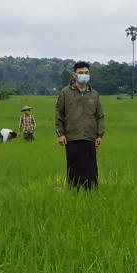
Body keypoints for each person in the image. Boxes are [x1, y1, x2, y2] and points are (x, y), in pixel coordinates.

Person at [55, 61, 105, 189]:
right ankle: (74, 192)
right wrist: (60, 134)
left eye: (86, 73)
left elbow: (99, 116)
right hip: (72, 138)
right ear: (74, 75)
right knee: (74, 169)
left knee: (91, 169)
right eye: (81, 72)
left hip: (89, 137)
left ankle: (91, 193)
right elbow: (59, 114)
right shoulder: (65, 93)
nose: (84, 75)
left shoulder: (94, 94)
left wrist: (100, 135)